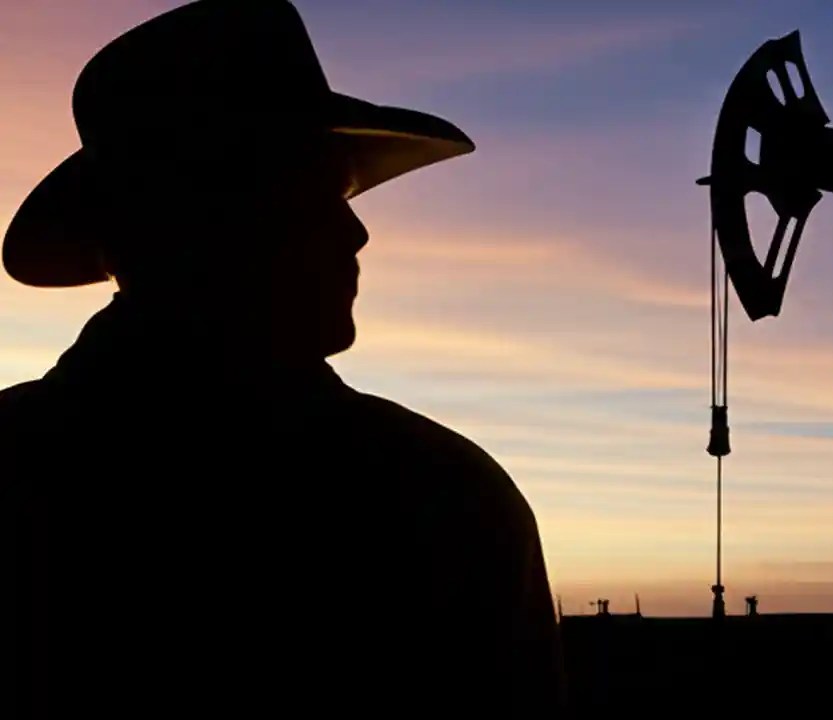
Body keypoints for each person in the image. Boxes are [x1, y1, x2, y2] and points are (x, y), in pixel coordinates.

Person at [1, 1, 564, 716]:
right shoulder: (445, 497)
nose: (355, 232)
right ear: (190, 224)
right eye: (305, 195)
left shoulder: (18, 465)